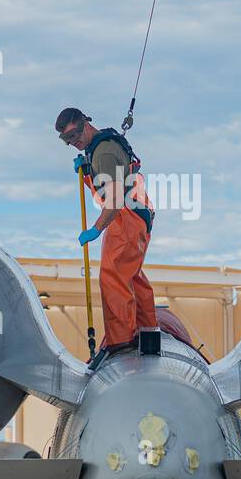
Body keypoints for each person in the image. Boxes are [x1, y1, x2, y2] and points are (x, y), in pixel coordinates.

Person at [55, 106, 160, 364]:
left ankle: (121, 343)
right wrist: (87, 173)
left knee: (112, 276)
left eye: (76, 134)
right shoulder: (100, 149)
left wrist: (96, 229)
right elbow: (112, 183)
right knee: (131, 276)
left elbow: (113, 200)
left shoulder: (103, 152)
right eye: (68, 140)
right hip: (136, 215)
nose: (75, 142)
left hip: (124, 216)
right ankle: (148, 335)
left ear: (86, 123)